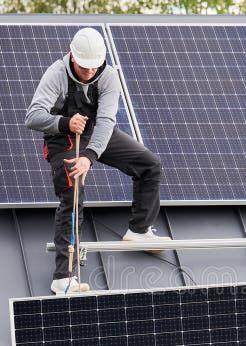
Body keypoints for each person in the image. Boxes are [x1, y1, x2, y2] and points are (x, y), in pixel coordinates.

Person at [25, 27, 170, 295]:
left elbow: (105, 122)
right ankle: (63, 277)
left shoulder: (109, 75)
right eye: (84, 68)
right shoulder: (56, 73)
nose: (90, 72)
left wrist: (89, 157)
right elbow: (32, 116)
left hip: (97, 134)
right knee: (73, 191)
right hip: (62, 138)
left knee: (150, 165)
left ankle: (139, 230)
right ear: (72, 57)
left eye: (95, 67)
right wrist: (65, 122)